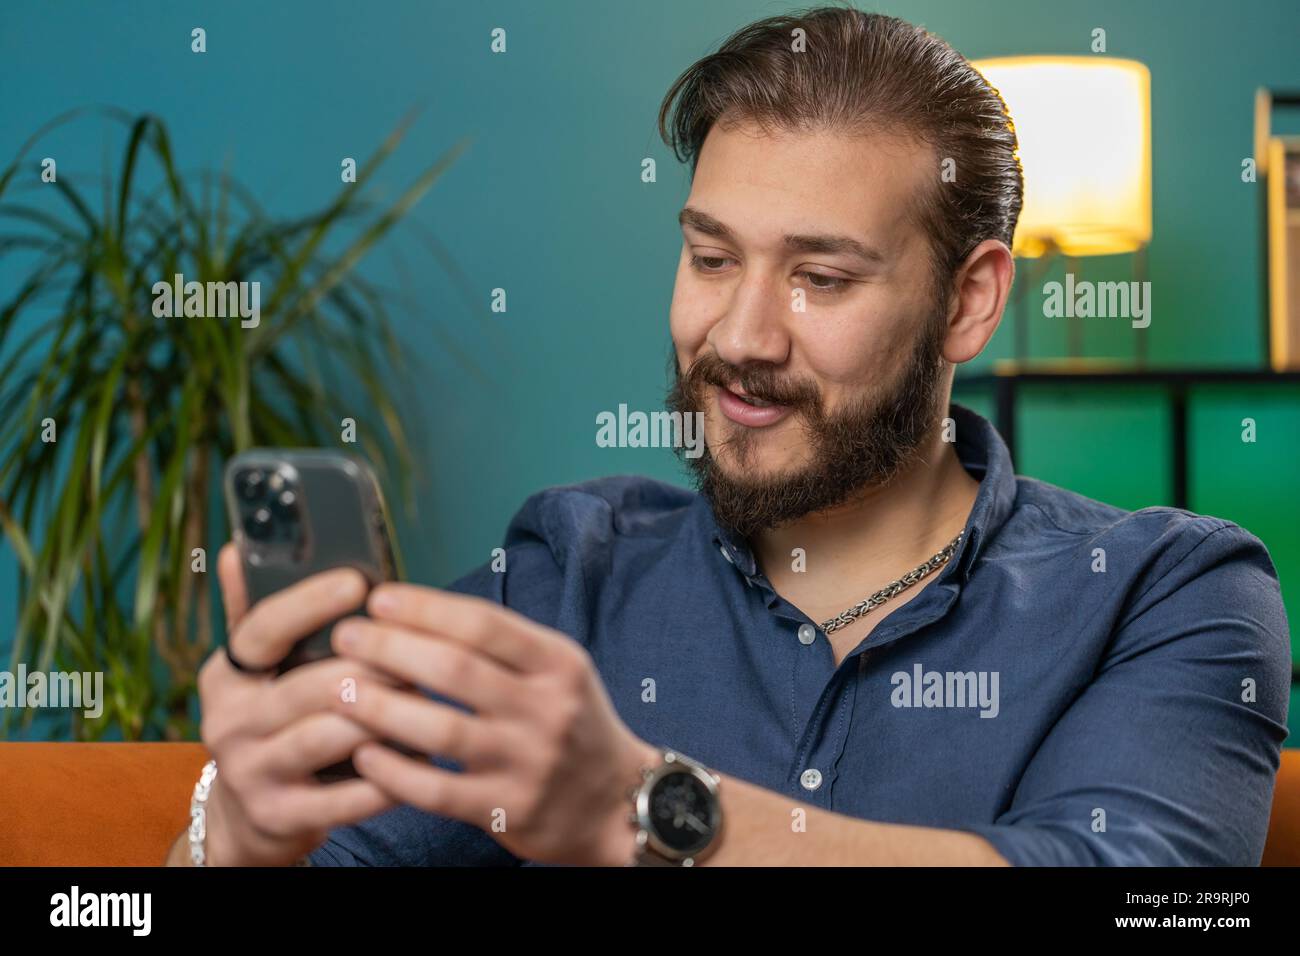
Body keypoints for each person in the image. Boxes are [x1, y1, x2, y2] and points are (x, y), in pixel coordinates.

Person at [166, 7, 1291, 867]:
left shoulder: (1171, 592)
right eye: (710, 257)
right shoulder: (564, 571)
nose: (739, 335)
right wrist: (238, 834)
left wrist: (639, 805)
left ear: (969, 299)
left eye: (820, 276)